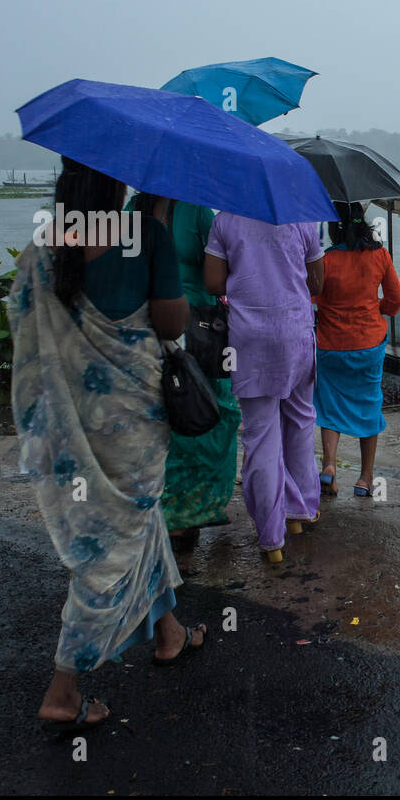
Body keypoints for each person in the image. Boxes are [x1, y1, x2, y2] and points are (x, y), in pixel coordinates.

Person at [9, 157, 205, 734]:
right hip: (133, 420)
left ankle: (169, 634)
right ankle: (62, 690)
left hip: (75, 417)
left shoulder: (49, 241)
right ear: (114, 183)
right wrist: (160, 231)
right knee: (111, 547)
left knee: (135, 522)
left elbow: (28, 320)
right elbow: (172, 324)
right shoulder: (142, 233)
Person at [203, 212, 323, 563]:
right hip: (296, 331)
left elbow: (212, 283)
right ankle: (301, 510)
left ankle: (272, 538)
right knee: (301, 419)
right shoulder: (303, 219)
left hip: (250, 337)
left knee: (260, 434)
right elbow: (317, 283)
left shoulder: (225, 221)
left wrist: (249, 278)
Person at [127, 192, 240, 555]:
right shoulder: (193, 212)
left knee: (192, 412)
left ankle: (177, 513)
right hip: (175, 325)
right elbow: (221, 273)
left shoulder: (146, 209)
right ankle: (183, 513)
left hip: (175, 328)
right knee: (193, 413)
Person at [314, 202, 400, 497]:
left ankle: (329, 467)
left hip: (331, 345)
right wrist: (376, 309)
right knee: (368, 406)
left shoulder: (325, 260)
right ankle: (365, 479)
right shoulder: (380, 255)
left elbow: (310, 296)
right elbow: (395, 300)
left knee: (328, 407)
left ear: (333, 227)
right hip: (368, 344)